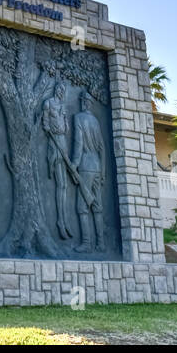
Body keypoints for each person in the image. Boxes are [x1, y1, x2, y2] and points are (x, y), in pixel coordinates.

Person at [70, 89, 105, 252]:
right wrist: (103, 171)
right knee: (97, 206)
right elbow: (102, 148)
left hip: (85, 166)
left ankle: (86, 243)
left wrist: (73, 164)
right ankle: (101, 243)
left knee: (82, 208)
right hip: (97, 167)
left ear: (83, 102)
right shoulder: (96, 122)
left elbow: (78, 144)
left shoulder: (78, 118)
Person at [41, 82, 75, 240]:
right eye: (61, 89)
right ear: (56, 90)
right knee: (59, 184)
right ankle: (60, 222)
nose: (62, 92)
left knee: (63, 185)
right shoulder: (48, 103)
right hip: (53, 144)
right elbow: (45, 124)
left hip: (62, 142)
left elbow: (66, 127)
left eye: (64, 90)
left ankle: (64, 221)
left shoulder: (62, 106)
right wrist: (49, 127)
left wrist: (64, 120)